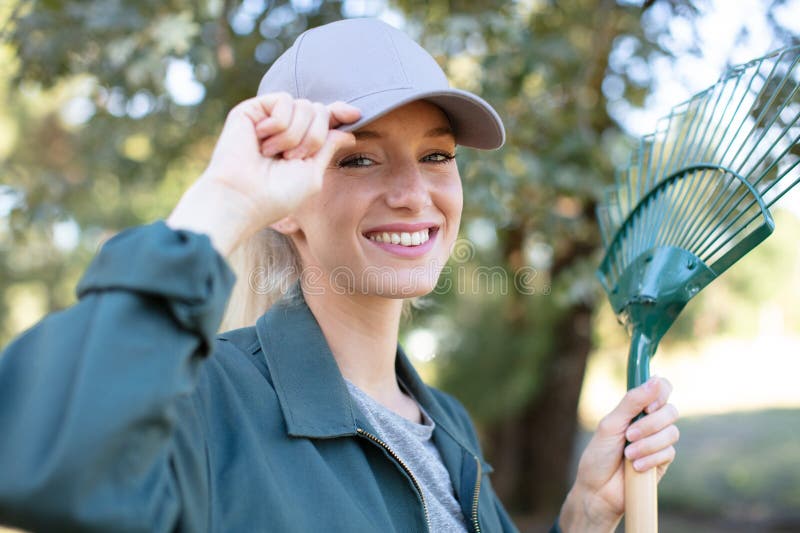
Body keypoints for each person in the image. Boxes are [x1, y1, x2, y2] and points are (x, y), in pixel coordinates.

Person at [0, 18, 679, 533]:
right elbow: (35, 456)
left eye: (437, 155)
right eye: (360, 160)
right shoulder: (211, 404)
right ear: (287, 203)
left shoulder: (447, 425)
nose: (415, 192)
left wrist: (586, 513)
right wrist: (226, 201)